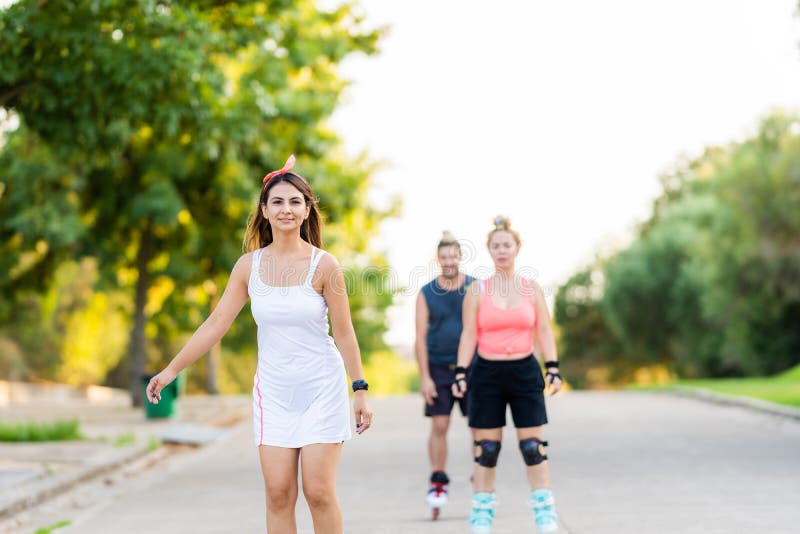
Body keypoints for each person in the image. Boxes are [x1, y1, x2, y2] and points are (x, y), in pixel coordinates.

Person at [146, 155, 373, 534]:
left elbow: (345, 332)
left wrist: (360, 389)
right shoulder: (248, 267)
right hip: (274, 392)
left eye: (295, 202)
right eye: (278, 202)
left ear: (306, 211)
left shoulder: (325, 265)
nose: (286, 209)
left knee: (317, 492)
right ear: (264, 210)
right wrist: (171, 370)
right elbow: (216, 324)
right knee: (279, 494)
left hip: (321, 388)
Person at [452, 216, 563, 534]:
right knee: (486, 451)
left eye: (507, 245)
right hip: (486, 372)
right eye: (496, 246)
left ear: (517, 248)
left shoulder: (531, 288)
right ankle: (482, 515)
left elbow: (544, 329)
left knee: (533, 447)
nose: (502, 251)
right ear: (489, 250)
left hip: (525, 370)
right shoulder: (476, 290)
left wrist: (552, 367)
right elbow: (468, 335)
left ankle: (544, 513)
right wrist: (461, 372)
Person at [414, 231, 475, 519]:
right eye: (444, 256)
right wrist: (425, 377)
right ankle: (438, 481)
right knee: (440, 425)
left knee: (480, 426)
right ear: (437, 259)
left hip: (473, 366)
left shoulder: (476, 288)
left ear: (460, 257)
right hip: (438, 367)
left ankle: (481, 479)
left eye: (453, 255)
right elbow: (420, 338)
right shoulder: (426, 293)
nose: (449, 260)